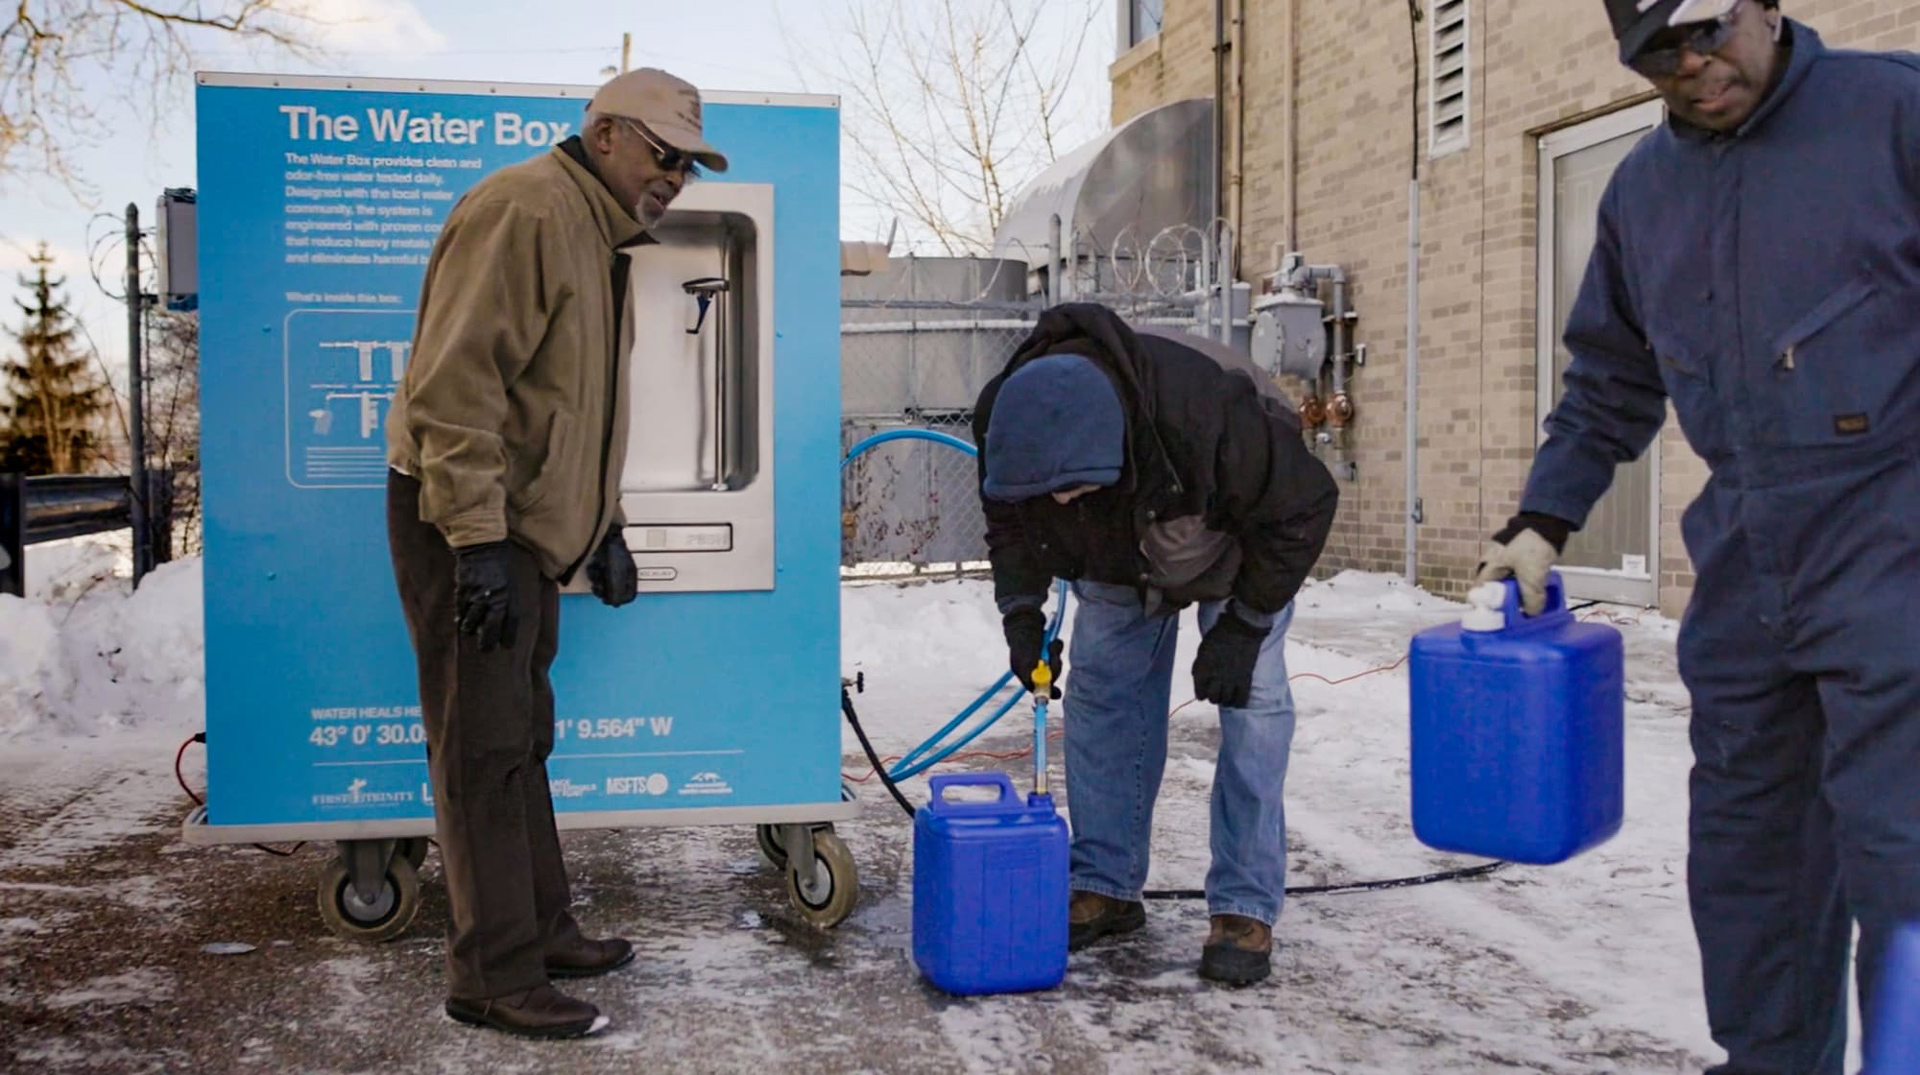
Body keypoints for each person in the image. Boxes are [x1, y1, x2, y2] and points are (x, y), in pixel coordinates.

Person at [1477, 2, 1920, 1069]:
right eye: (1657, 54)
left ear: (1762, 6)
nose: (1691, 65)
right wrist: (1543, 518)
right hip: (1745, 555)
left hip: (1896, 534)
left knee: (1905, 851)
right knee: (1748, 854)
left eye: (1708, 31)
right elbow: (1610, 379)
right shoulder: (1643, 190)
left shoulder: (1892, 112)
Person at [384, 68, 727, 1039]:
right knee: (482, 745)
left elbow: (571, 408)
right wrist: (478, 541)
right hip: (468, 520)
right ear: (607, 134)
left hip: (520, 527)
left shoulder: (598, 230)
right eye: (665, 155)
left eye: (690, 166)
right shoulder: (526, 209)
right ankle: (491, 976)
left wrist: (602, 524)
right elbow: (456, 386)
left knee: (521, 734)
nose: (676, 178)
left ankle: (539, 930)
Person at [973, 303, 1339, 985]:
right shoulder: (1010, 420)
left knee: (1254, 706)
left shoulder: (1212, 416)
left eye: (1070, 488)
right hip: (1116, 549)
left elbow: (1302, 507)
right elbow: (1012, 525)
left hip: (1236, 534)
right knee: (1101, 697)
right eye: (1047, 493)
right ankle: (1105, 882)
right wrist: (1021, 616)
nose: (1057, 503)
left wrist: (1244, 625)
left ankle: (1243, 903)